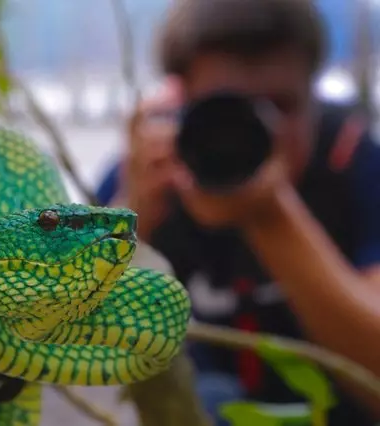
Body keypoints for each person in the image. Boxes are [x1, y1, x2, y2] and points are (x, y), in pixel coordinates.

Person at [99, 0, 380, 425]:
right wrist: (133, 218)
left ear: (315, 96)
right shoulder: (148, 177)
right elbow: (82, 350)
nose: (259, 130)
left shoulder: (354, 166)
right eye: (227, 109)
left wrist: (273, 216)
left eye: (281, 106)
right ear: (180, 103)